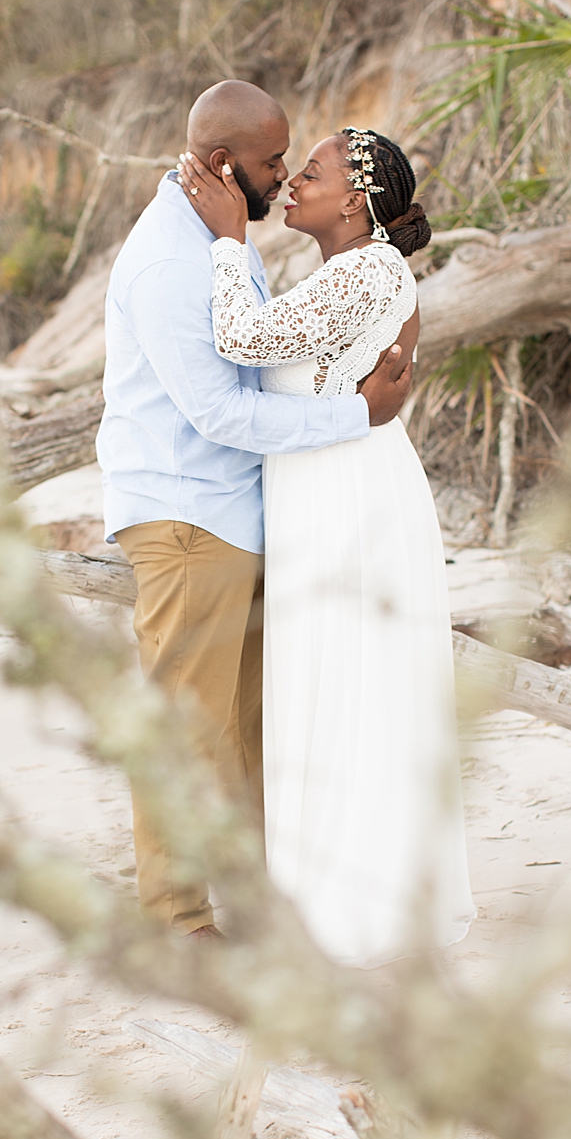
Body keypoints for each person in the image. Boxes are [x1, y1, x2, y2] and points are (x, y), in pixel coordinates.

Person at [96, 82, 412, 940]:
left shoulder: (221, 240)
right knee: (186, 730)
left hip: (239, 510)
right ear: (226, 164)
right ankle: (178, 925)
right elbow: (222, 413)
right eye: (275, 163)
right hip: (187, 515)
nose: (283, 175)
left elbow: (263, 362)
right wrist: (361, 416)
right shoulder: (172, 257)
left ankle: (277, 908)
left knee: (253, 733)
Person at [177, 127, 475, 966]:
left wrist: (230, 240)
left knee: (350, 690)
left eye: (311, 171)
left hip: (351, 498)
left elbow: (247, 341)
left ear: (355, 198)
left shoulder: (371, 271)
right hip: (320, 489)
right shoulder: (342, 272)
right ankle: (330, 905)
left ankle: (356, 917)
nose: (294, 182)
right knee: (329, 686)